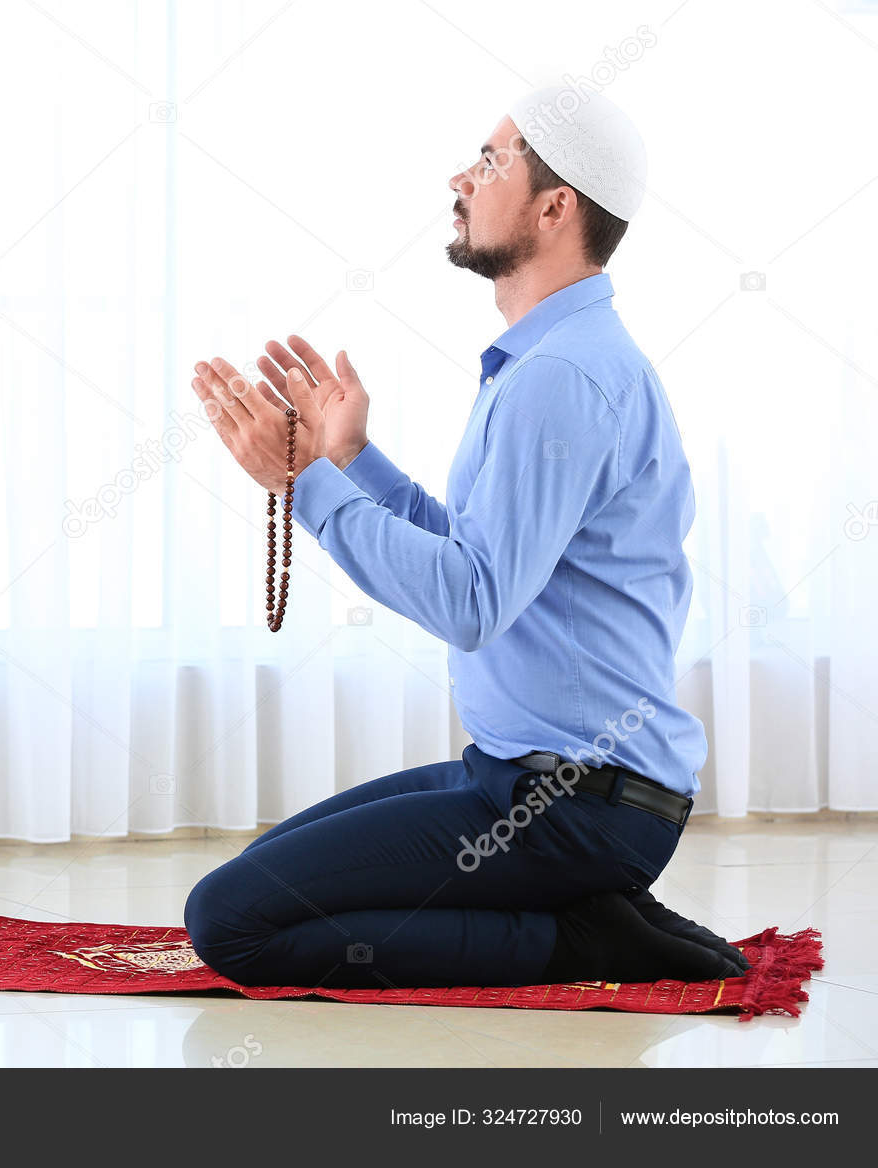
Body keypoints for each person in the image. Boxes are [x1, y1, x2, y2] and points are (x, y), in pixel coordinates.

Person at [182, 84, 746, 989]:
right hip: (524, 781)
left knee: (230, 922)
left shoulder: (561, 377)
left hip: (572, 807)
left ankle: (578, 939)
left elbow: (471, 604)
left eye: (490, 162)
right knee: (272, 870)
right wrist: (350, 459)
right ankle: (584, 904)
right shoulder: (551, 362)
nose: (460, 178)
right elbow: (479, 562)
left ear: (556, 207)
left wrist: (303, 485)